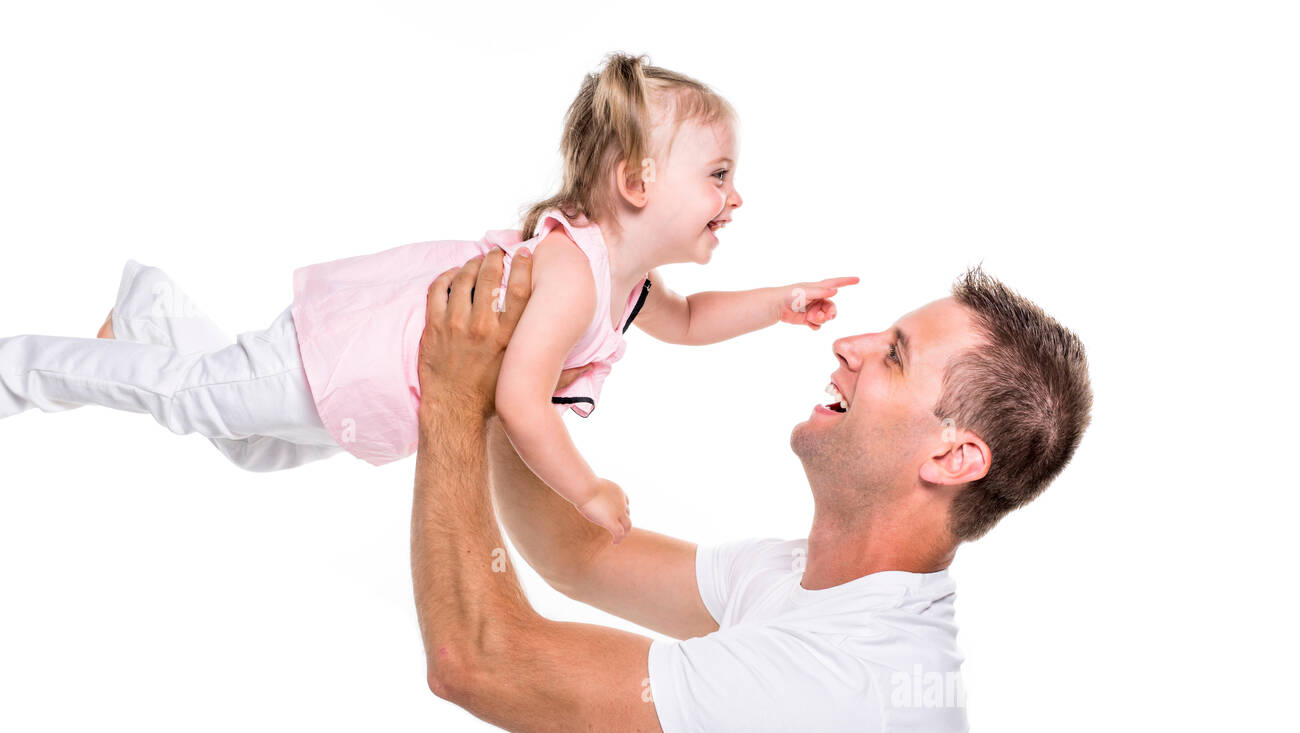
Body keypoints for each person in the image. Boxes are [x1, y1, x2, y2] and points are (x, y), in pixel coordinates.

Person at [411, 247, 1092, 733]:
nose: (847, 344)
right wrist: (515, 386)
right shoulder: (795, 580)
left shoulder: (845, 682)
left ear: (951, 456)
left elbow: (474, 661)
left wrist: (453, 394)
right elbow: (578, 556)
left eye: (893, 356)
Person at [0, 51, 855, 543]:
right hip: (334, 360)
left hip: (368, 396)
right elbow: (523, 400)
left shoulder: (626, 287)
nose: (733, 197)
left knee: (250, 449)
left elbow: (695, 320)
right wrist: (586, 489)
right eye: (717, 176)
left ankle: (147, 311)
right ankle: (17, 372)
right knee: (191, 401)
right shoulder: (571, 271)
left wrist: (781, 301)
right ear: (636, 182)